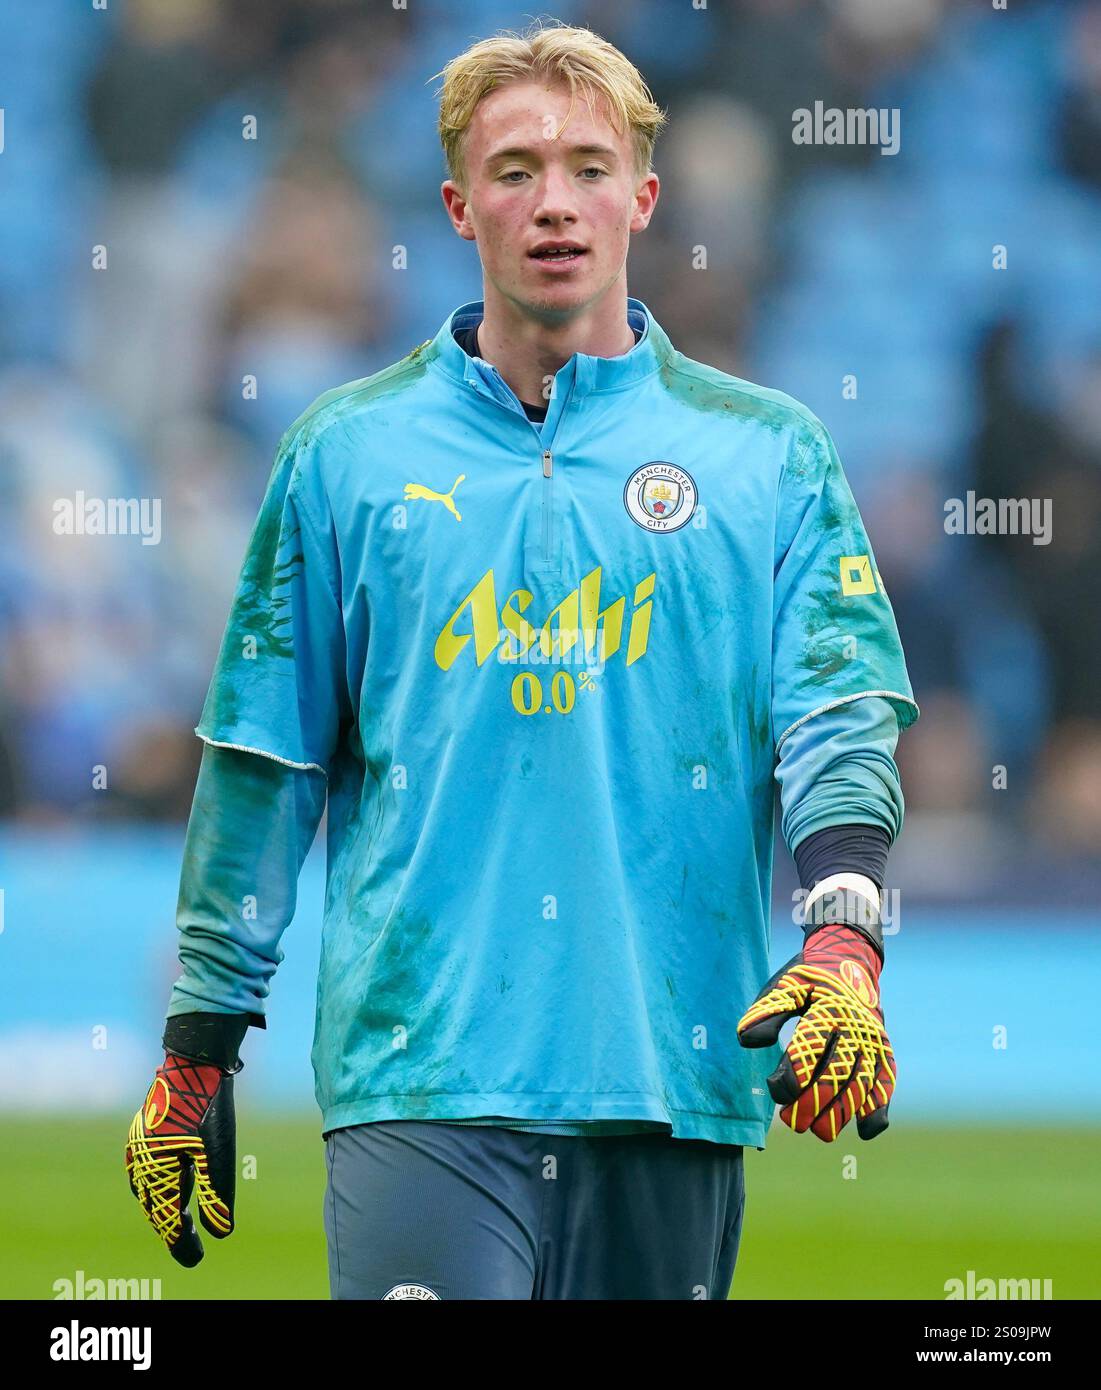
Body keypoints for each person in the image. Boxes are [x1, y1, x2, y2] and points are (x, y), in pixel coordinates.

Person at [124, 19, 918, 1301]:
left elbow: (839, 717)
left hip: (671, 1073)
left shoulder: (767, 454)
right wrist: (198, 1043)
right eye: (515, 169)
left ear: (643, 199)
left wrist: (843, 942)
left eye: (590, 167)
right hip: (418, 1073)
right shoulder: (345, 455)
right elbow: (265, 760)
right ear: (457, 204)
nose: (555, 201)